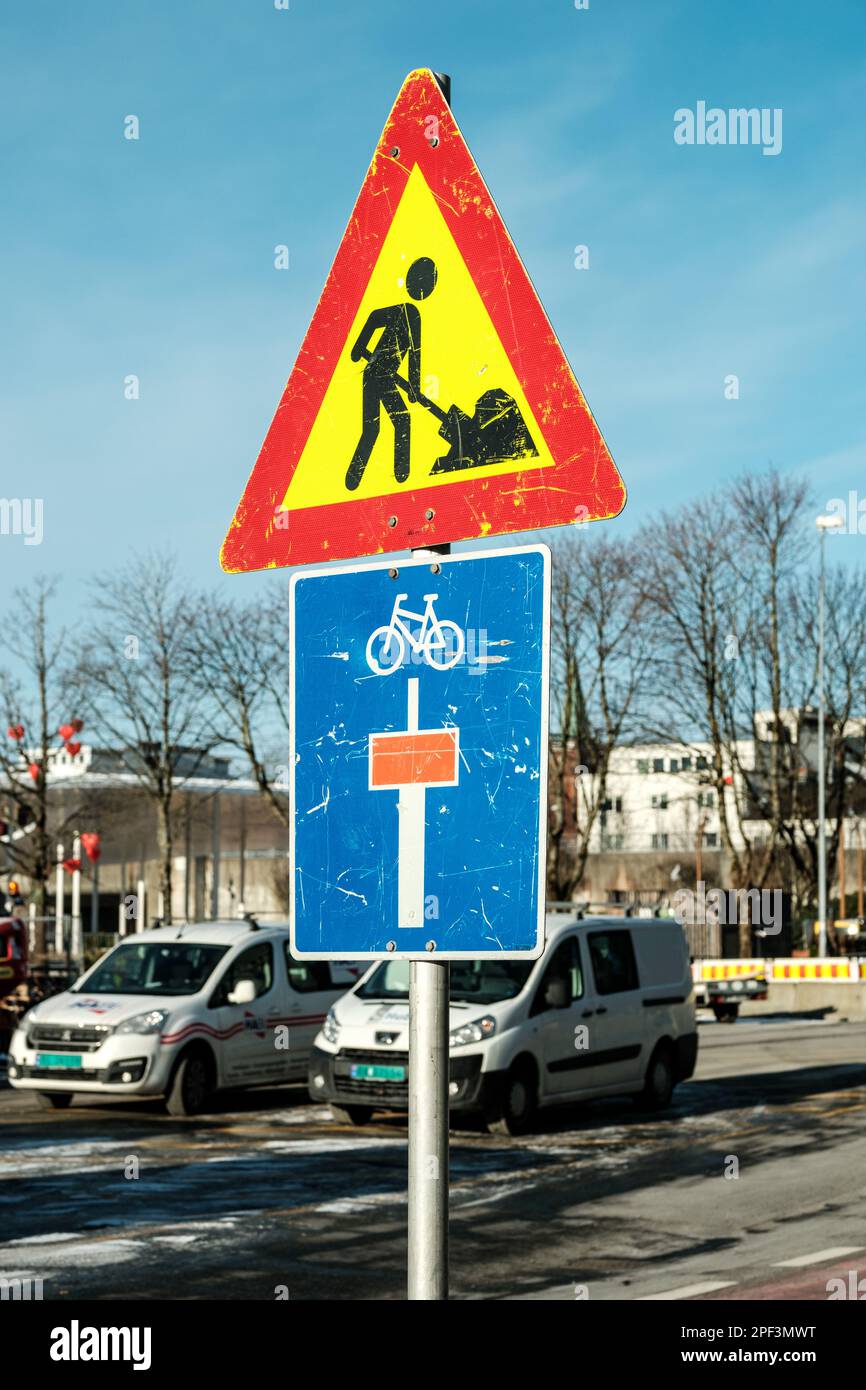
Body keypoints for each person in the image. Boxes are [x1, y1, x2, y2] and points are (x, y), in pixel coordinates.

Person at [345, 256, 437, 490]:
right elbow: (375, 318)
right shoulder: (408, 312)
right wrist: (359, 346)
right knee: (389, 423)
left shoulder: (412, 314)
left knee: (379, 426)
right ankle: (394, 476)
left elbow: (415, 356)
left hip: (380, 375)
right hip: (376, 374)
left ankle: (386, 477)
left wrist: (414, 388)